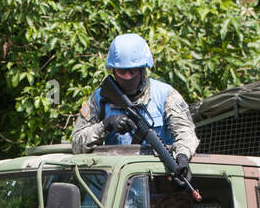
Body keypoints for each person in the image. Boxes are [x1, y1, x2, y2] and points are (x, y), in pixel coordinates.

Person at [70, 33, 199, 172]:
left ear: (143, 69)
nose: (127, 77)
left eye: (133, 71)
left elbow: (186, 133)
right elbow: (77, 145)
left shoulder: (165, 95)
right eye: (122, 71)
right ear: (112, 70)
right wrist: (105, 125)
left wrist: (182, 156)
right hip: (116, 181)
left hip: (158, 177)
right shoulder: (100, 99)